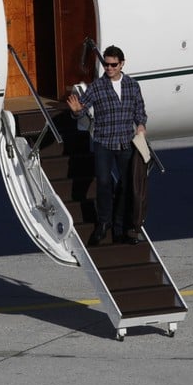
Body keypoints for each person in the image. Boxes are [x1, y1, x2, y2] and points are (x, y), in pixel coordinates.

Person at [66, 45, 147, 246]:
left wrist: (141, 126)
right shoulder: (96, 87)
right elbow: (81, 109)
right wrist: (76, 111)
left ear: (122, 64)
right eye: (106, 64)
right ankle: (104, 223)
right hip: (103, 142)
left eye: (113, 64)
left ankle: (120, 227)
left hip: (126, 143)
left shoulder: (132, 86)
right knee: (103, 183)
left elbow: (140, 110)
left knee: (126, 185)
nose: (108, 68)